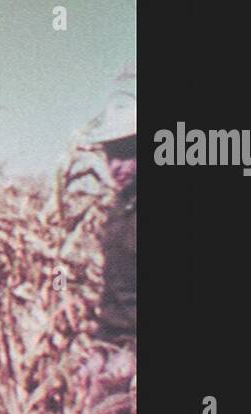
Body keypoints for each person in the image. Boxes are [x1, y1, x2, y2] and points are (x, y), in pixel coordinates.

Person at [85, 93, 136, 346]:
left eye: (125, 154)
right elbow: (59, 268)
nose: (115, 166)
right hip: (112, 339)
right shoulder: (118, 212)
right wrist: (59, 291)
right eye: (110, 156)